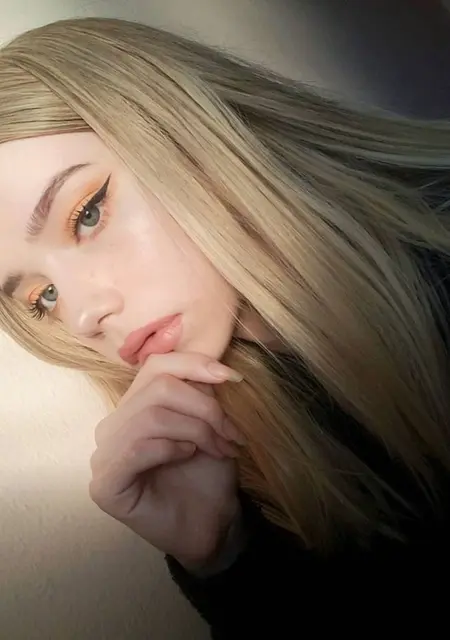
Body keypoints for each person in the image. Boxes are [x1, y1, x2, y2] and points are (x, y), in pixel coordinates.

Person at [0, 16, 449, 637]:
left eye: (88, 213)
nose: (80, 315)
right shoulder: (228, 445)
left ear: (185, 131)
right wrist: (226, 560)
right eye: (42, 296)